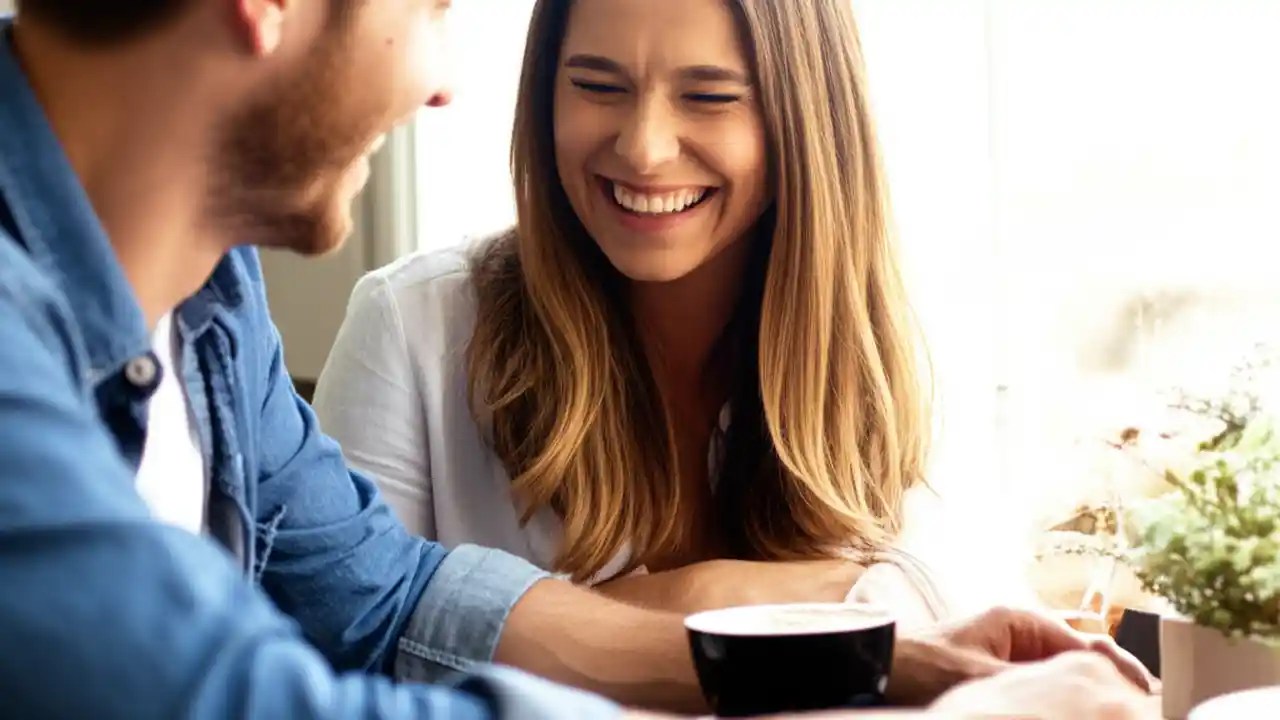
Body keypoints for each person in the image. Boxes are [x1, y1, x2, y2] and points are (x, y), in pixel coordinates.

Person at [0, 1, 1154, 718]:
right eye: (432, 3)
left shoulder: (214, 292)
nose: (442, 81)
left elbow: (392, 600)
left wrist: (885, 666)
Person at [315, 0, 941, 620]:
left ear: (806, 117)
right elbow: (345, 661)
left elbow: (945, 607)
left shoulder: (881, 349)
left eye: (709, 97)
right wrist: (703, 598)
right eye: (596, 85)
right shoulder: (411, 328)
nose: (644, 150)